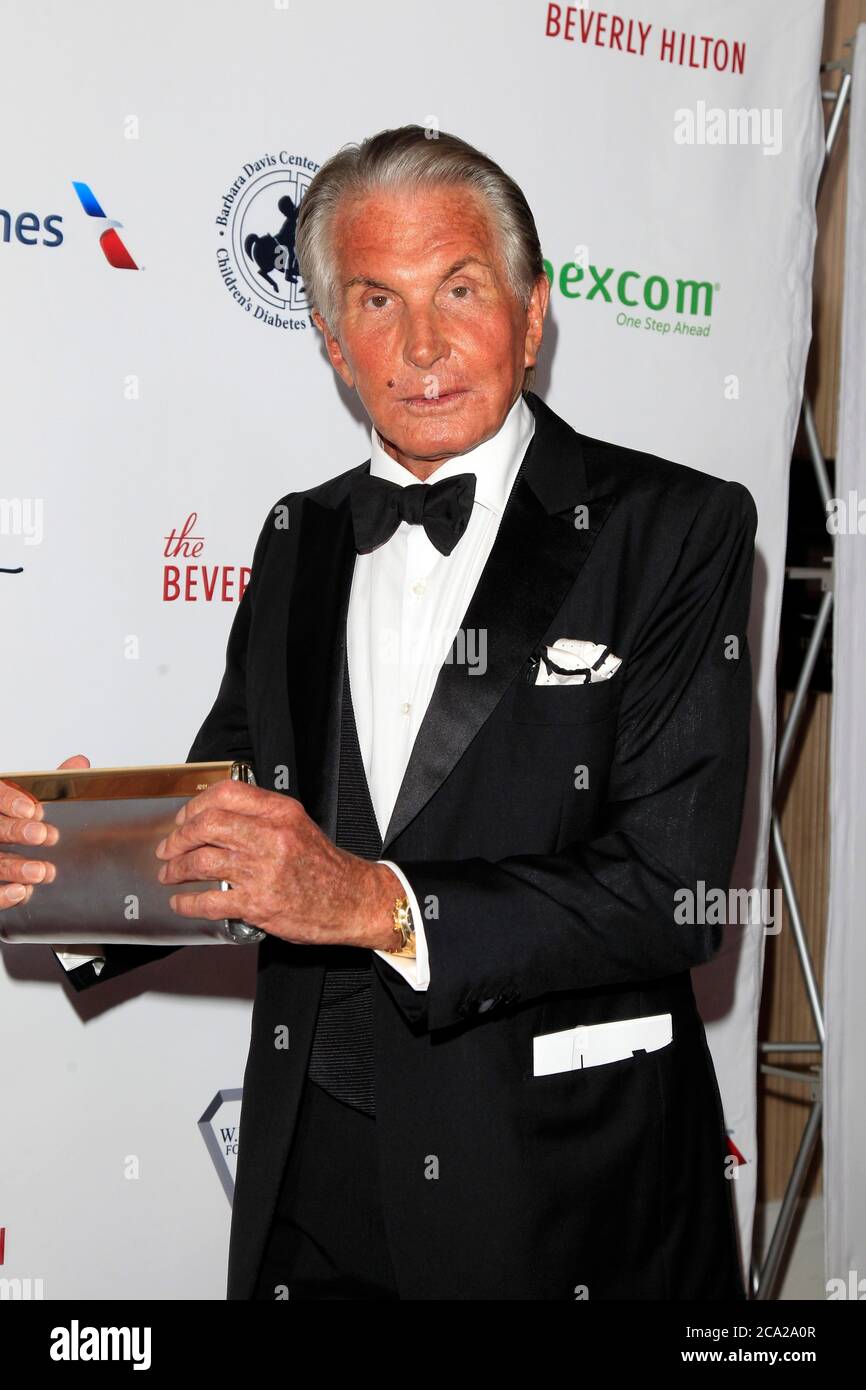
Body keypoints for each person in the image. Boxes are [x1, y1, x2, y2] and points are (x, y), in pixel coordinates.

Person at [0, 124, 757, 1300]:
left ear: (531, 309)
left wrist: (370, 903)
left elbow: (670, 893)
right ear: (330, 340)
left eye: (458, 290)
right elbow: (236, 815)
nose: (421, 346)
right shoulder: (298, 534)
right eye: (374, 299)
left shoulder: (673, 528)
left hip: (559, 1189)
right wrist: (80, 865)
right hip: (316, 1171)